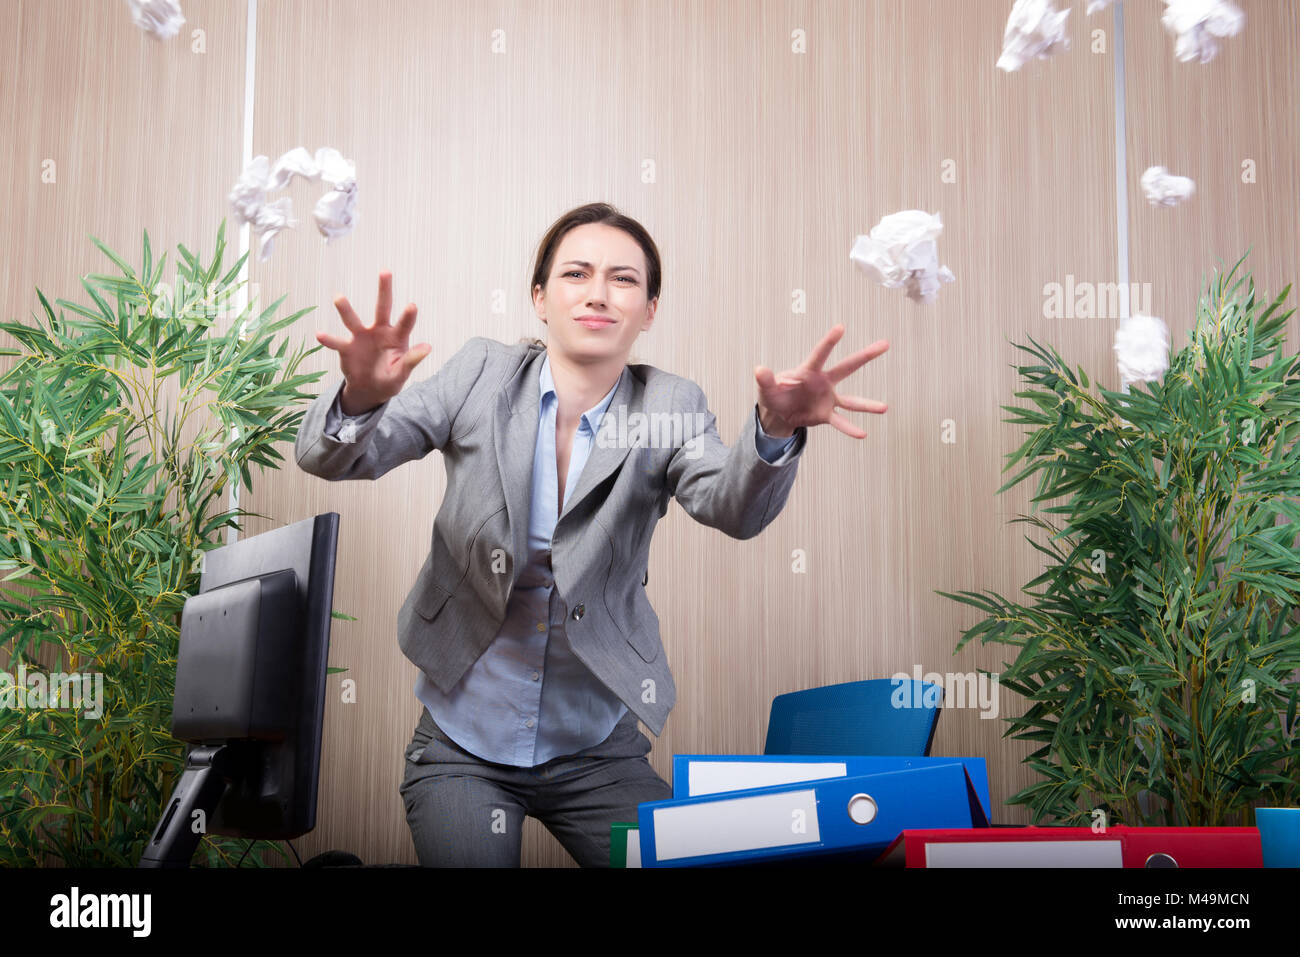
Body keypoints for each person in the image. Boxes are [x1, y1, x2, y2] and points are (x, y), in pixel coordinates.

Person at [294, 202, 890, 866]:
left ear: (650, 309)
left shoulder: (670, 404)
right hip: (463, 744)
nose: (598, 293)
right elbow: (334, 458)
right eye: (576, 273)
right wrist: (361, 398)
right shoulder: (480, 373)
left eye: (624, 279)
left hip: (597, 749)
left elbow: (733, 508)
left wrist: (775, 433)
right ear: (540, 297)